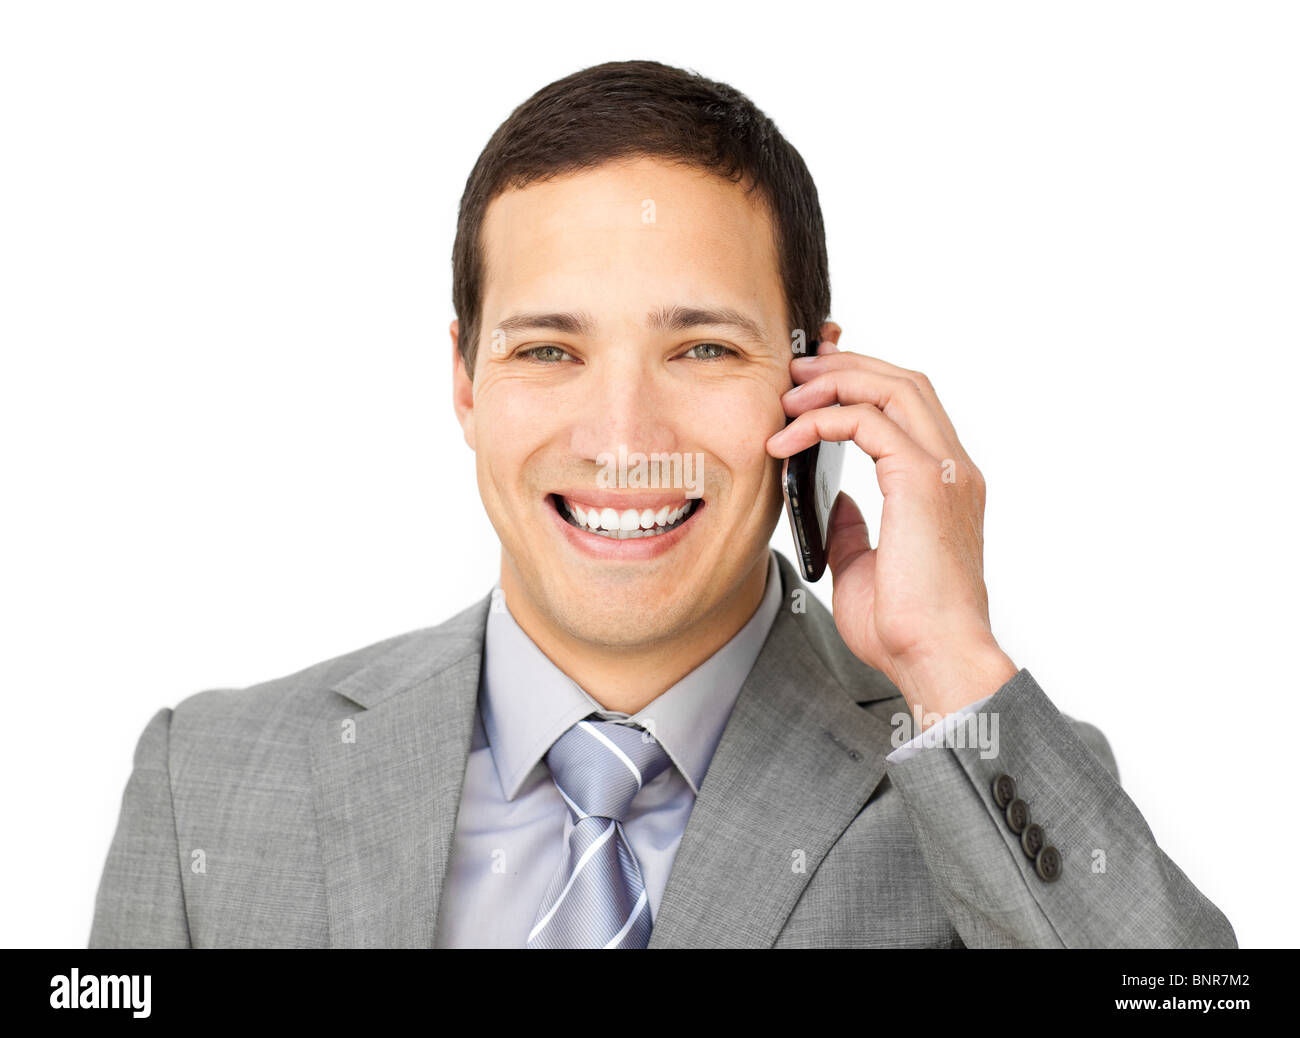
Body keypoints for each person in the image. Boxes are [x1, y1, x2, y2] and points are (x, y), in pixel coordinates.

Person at [90, 59, 1235, 949]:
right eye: (547, 350)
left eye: (700, 348)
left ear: (814, 379)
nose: (623, 441)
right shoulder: (213, 780)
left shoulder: (978, 763)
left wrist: (947, 660)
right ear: (463, 383)